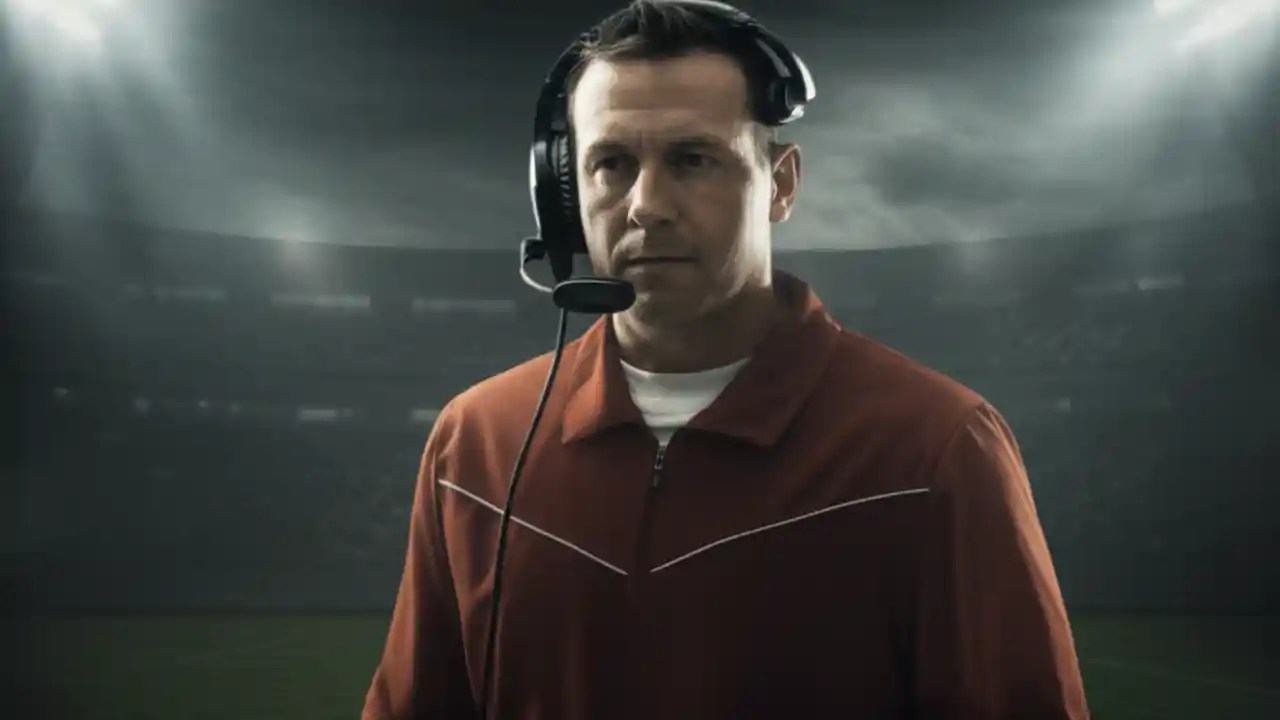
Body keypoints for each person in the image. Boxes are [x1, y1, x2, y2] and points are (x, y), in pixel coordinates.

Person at [363, 1, 1090, 718]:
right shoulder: (476, 445)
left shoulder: (937, 449)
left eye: (692, 160)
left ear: (781, 184)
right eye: (612, 163)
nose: (647, 204)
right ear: (562, 196)